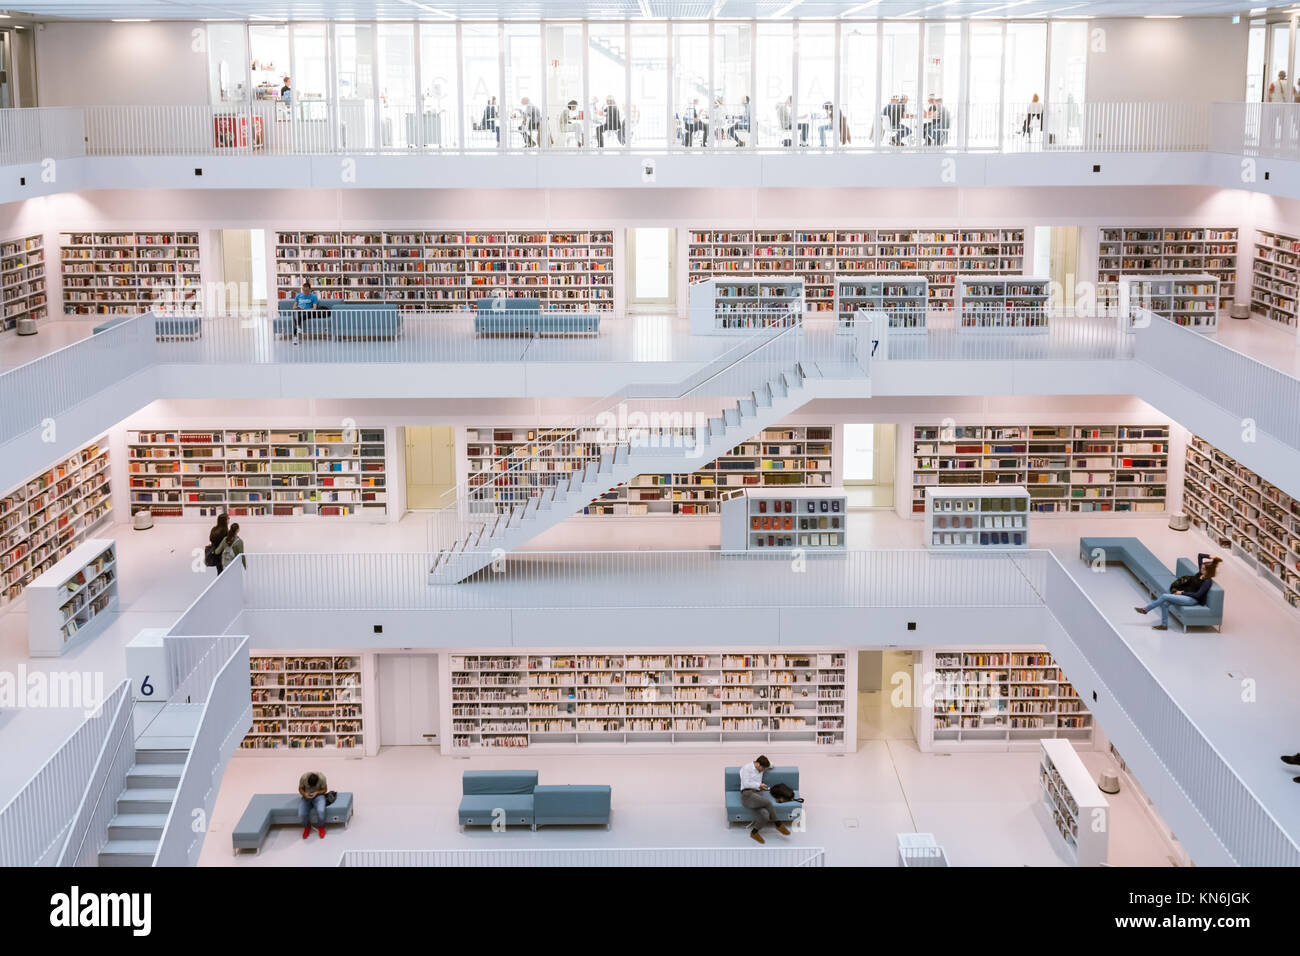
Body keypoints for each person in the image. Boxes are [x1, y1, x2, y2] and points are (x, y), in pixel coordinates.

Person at [1135, 553, 1222, 630]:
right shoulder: (1201, 573)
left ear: (1208, 571)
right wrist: (1211, 557)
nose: (1201, 569)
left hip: (1191, 600)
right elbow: (1200, 556)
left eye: (1203, 568)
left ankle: (1145, 610)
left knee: (1165, 596)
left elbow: (1198, 595)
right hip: (1185, 596)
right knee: (1165, 604)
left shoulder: (1207, 582)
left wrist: (1182, 593)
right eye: (1202, 567)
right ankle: (1164, 625)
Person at [738, 754, 789, 844]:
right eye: (763, 768)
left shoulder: (762, 766)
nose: (763, 770)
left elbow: (771, 765)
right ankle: (778, 823)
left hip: (758, 794)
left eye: (765, 769)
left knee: (765, 815)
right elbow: (746, 784)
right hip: (747, 795)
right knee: (768, 802)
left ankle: (754, 833)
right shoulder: (746, 769)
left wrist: (770, 764)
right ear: (757, 764)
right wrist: (759, 785)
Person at [298, 770, 329, 839]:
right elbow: (300, 789)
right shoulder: (303, 778)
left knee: (321, 811)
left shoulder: (322, 778)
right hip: (306, 796)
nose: (312, 788)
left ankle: (321, 826)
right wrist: (304, 794)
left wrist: (317, 792)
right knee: (301, 814)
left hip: (319, 796)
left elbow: (325, 790)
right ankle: (307, 827)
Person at [291, 279, 321, 345]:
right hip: (299, 311)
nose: (305, 292)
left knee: (297, 316)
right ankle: (298, 330)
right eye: (304, 290)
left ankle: (296, 334)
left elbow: (314, 308)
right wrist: (297, 308)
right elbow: (294, 307)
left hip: (308, 312)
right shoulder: (298, 295)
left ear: (310, 290)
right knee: (295, 313)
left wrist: (305, 310)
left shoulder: (313, 297)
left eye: (307, 290)